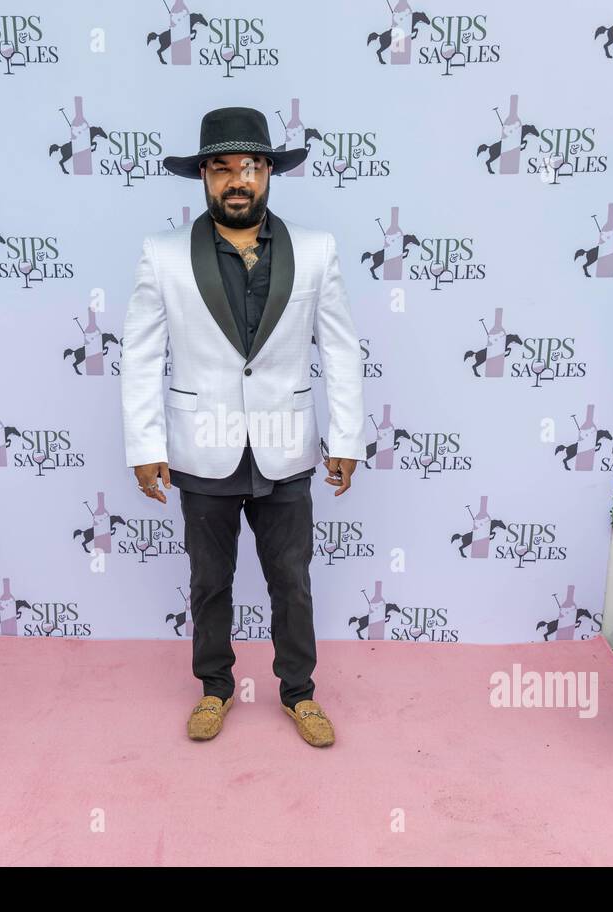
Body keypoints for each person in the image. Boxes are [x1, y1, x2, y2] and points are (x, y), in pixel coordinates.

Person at [120, 106, 366, 747]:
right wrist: (146, 445)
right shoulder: (163, 255)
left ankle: (299, 692)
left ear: (268, 174)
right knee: (209, 580)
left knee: (293, 578)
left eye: (250, 167)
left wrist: (345, 438)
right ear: (203, 176)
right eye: (223, 168)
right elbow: (142, 355)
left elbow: (339, 348)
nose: (238, 180)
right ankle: (214, 688)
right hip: (202, 447)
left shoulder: (316, 251)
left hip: (288, 446)